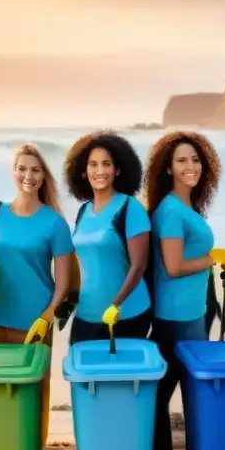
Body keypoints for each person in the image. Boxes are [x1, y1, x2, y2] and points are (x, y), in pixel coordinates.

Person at [0, 142, 74, 446]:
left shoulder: (54, 223)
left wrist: (47, 317)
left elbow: (63, 283)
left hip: (33, 324)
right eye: (22, 168)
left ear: (44, 176)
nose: (29, 175)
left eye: (36, 169)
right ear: (13, 173)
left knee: (32, 400)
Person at [142, 130, 225, 450]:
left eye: (195, 159)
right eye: (181, 160)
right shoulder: (172, 212)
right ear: (168, 168)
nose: (190, 166)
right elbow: (174, 267)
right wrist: (217, 257)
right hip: (177, 317)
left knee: (182, 396)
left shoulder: (184, 207)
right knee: (170, 397)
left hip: (192, 312)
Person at [64, 130, 152, 341]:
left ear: (117, 170)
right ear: (84, 172)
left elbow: (139, 265)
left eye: (106, 164)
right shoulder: (84, 211)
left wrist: (115, 305)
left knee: (119, 375)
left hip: (125, 315)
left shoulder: (130, 208)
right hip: (86, 314)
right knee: (80, 373)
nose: (100, 170)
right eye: (93, 164)